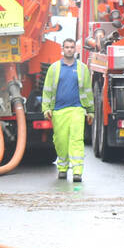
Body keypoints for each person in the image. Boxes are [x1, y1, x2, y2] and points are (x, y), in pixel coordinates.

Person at [41, 38, 95, 183]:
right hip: (58, 111)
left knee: (76, 140)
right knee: (61, 141)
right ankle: (63, 168)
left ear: (75, 50)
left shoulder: (82, 68)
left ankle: (77, 171)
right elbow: (47, 91)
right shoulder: (54, 69)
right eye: (67, 47)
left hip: (77, 109)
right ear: (62, 49)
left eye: (72, 47)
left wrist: (90, 111)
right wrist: (46, 109)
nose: (69, 49)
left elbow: (88, 91)